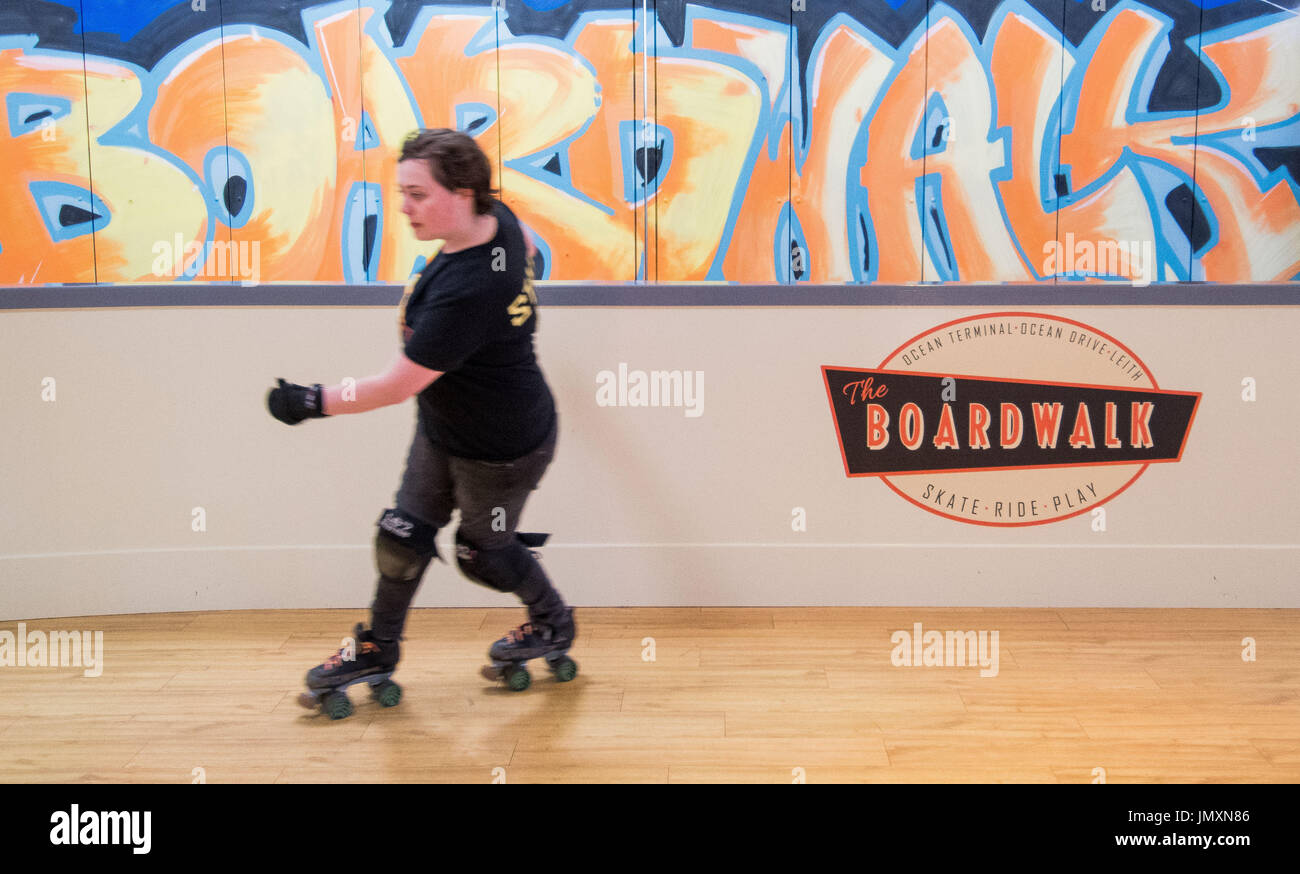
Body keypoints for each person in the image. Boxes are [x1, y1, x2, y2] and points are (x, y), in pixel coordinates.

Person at [266, 128, 574, 697]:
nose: (403, 207)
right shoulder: (495, 220)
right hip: (444, 429)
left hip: (502, 451)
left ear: (462, 192)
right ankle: (377, 647)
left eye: (417, 194)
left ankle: (555, 621)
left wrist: (311, 401)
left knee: (482, 553)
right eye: (402, 191)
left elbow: (395, 385)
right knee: (402, 537)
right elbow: (528, 244)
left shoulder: (471, 291)